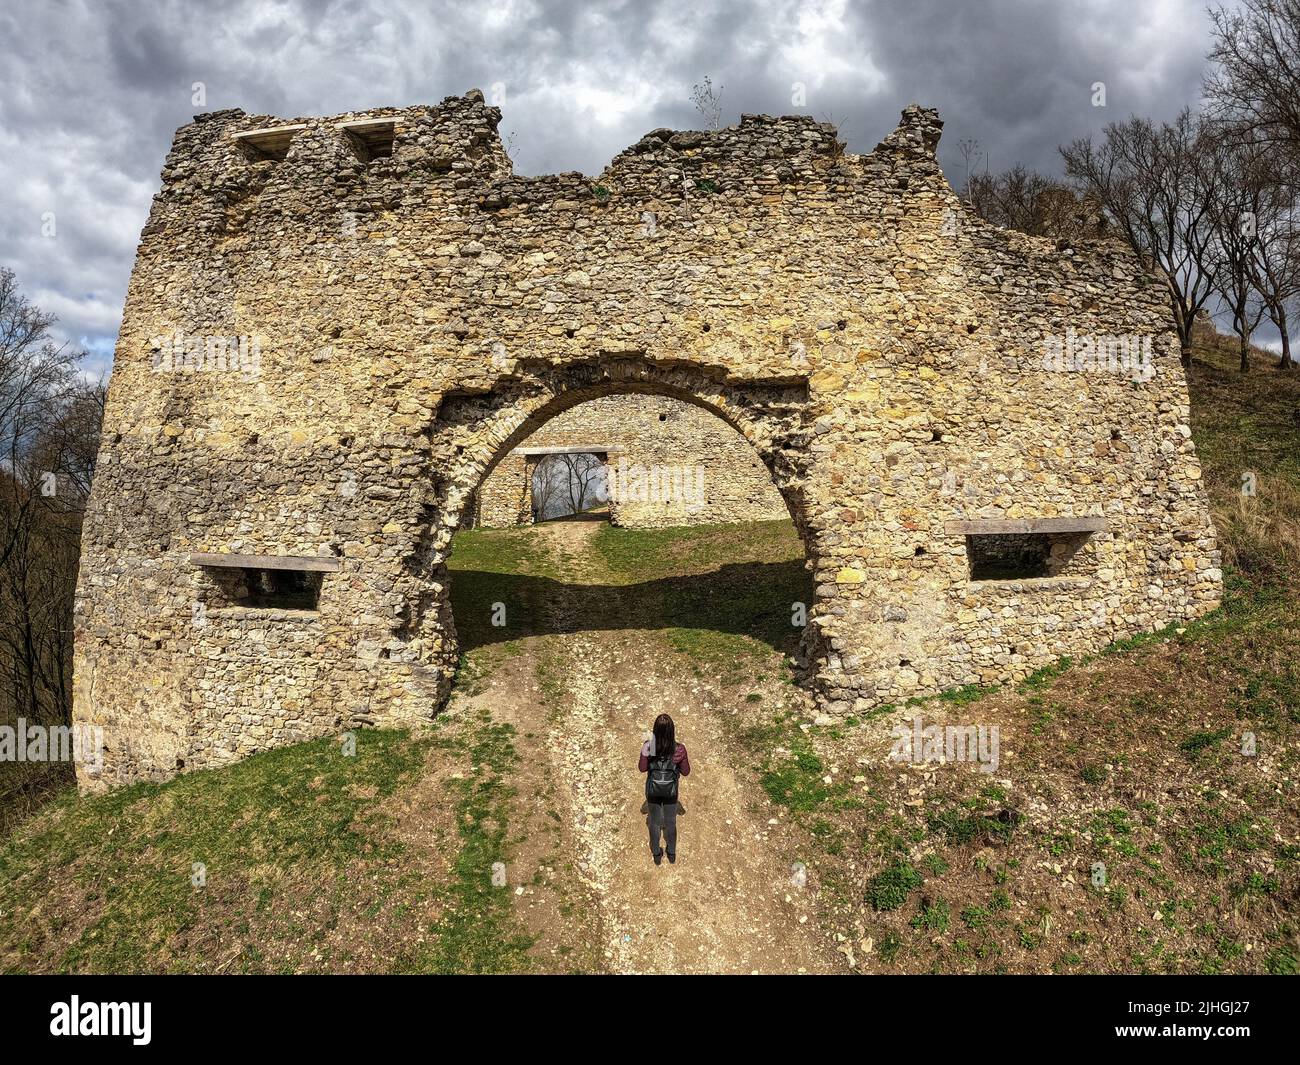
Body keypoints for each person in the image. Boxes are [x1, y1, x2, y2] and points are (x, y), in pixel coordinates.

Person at [639, 713, 690, 865]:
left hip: (653, 791)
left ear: (655, 730)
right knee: (671, 823)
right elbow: (686, 772)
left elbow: (642, 768)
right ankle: (672, 853)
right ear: (672, 731)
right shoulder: (679, 749)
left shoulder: (650, 747)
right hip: (671, 792)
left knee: (654, 823)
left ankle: (656, 854)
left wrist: (644, 750)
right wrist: (682, 758)